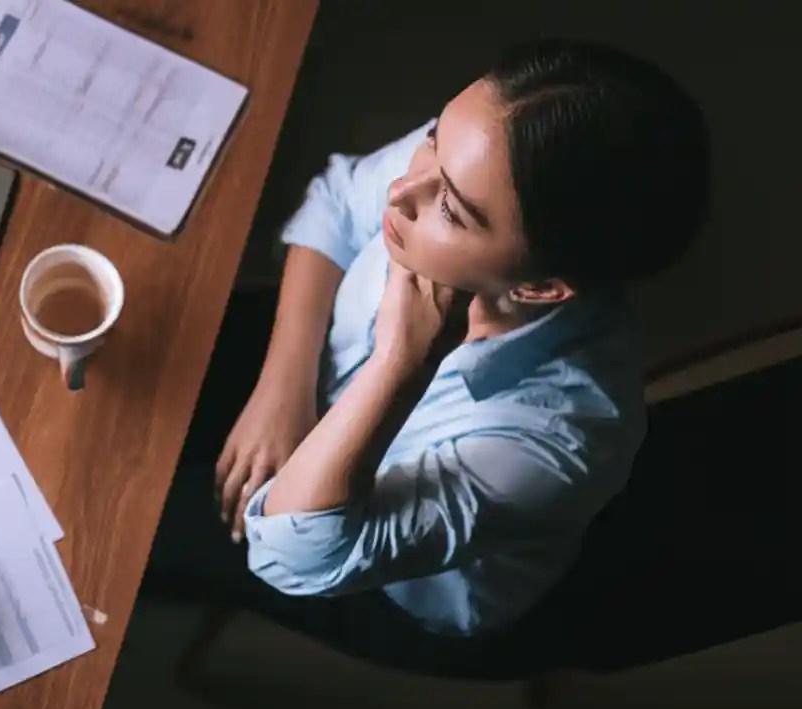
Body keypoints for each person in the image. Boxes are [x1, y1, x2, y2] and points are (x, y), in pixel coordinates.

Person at [144, 38, 710, 671]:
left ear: (539, 288)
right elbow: (335, 202)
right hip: (314, 384)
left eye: (448, 208)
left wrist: (399, 364)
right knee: (137, 371)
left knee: (137, 528)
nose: (400, 191)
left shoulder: (562, 438)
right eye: (433, 138)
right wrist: (282, 391)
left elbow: (292, 555)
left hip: (381, 575)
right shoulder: (483, 149)